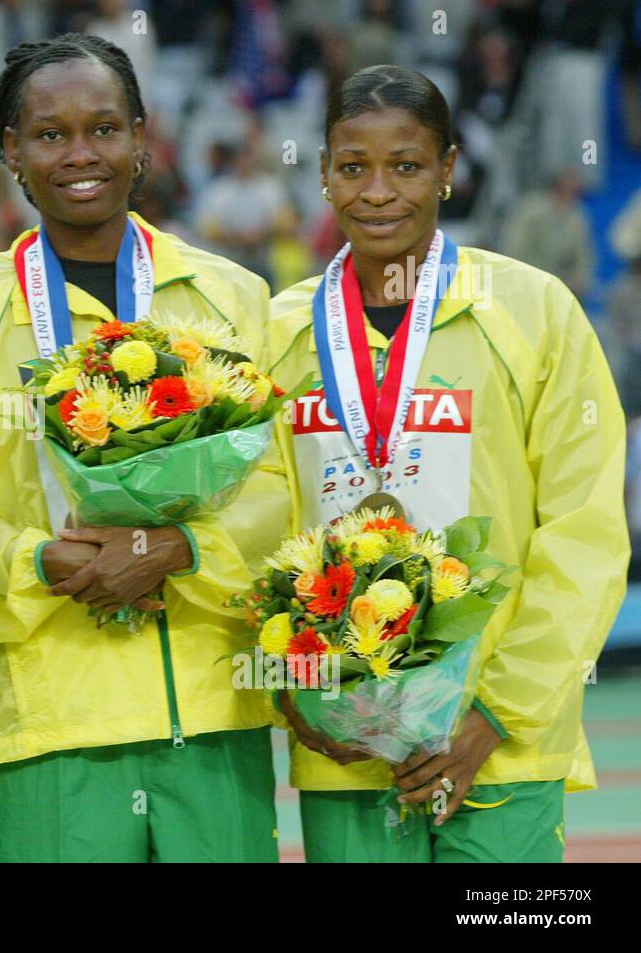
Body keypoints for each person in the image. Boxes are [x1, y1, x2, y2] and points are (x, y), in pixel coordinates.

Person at [0, 33, 289, 863]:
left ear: (142, 137)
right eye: (50, 135)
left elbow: (275, 493)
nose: (81, 155)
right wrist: (47, 562)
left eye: (105, 129)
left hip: (211, 712)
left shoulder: (228, 295)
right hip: (50, 722)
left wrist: (172, 549)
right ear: (10, 151)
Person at [267, 65, 628, 862]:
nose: (378, 191)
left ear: (449, 171)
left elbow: (585, 533)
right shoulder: (279, 333)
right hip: (349, 753)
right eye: (352, 166)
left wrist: (493, 717)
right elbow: (257, 533)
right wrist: (295, 696)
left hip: (504, 746)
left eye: (407, 165)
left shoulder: (535, 311)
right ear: (323, 174)